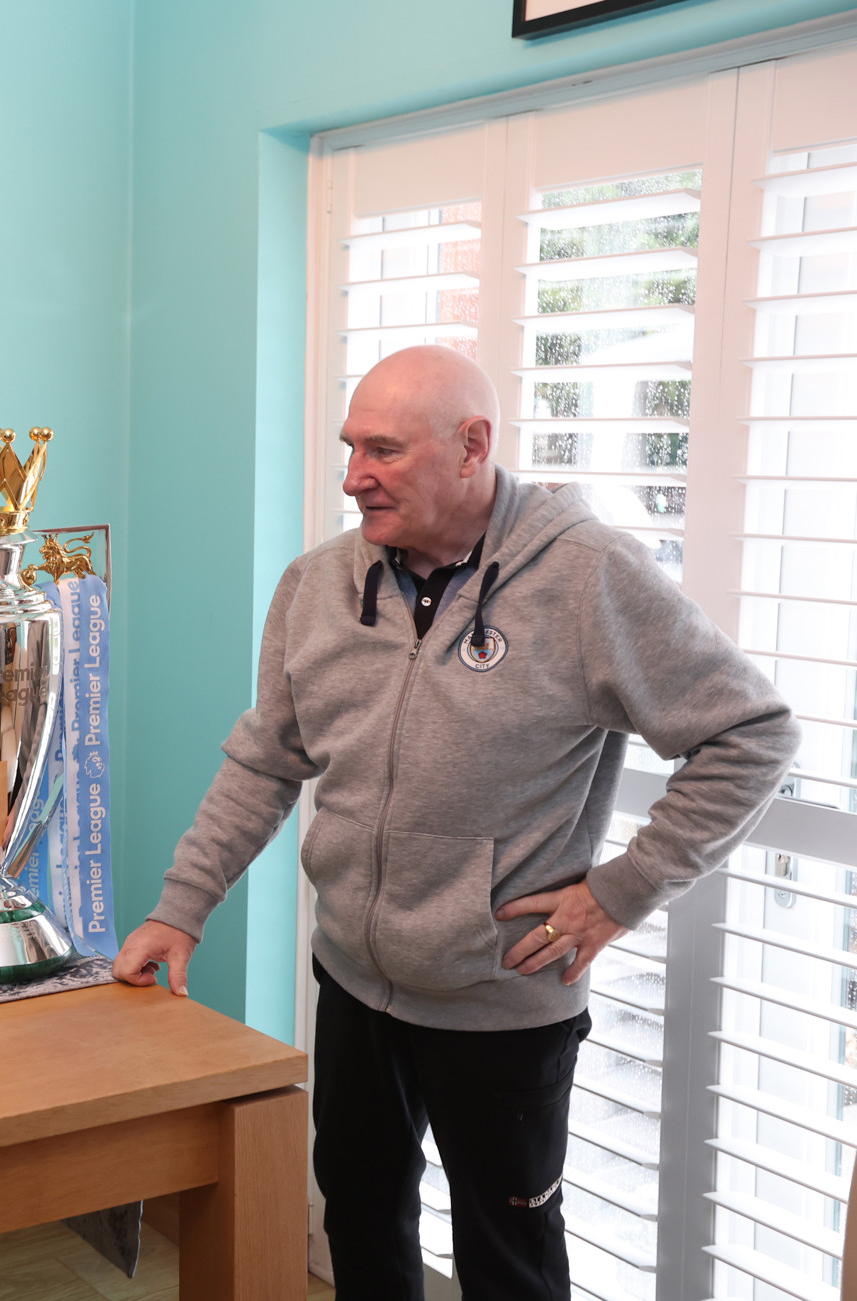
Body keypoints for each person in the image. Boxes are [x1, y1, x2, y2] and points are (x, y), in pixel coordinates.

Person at [113, 345, 799, 1299]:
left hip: (502, 1002)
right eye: (352, 448)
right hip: (354, 983)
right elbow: (266, 758)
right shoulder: (317, 585)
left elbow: (753, 733)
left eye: (384, 451)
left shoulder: (589, 577)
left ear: (473, 445)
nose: (354, 476)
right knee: (361, 1226)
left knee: (507, 1262)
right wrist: (181, 906)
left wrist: (621, 892)